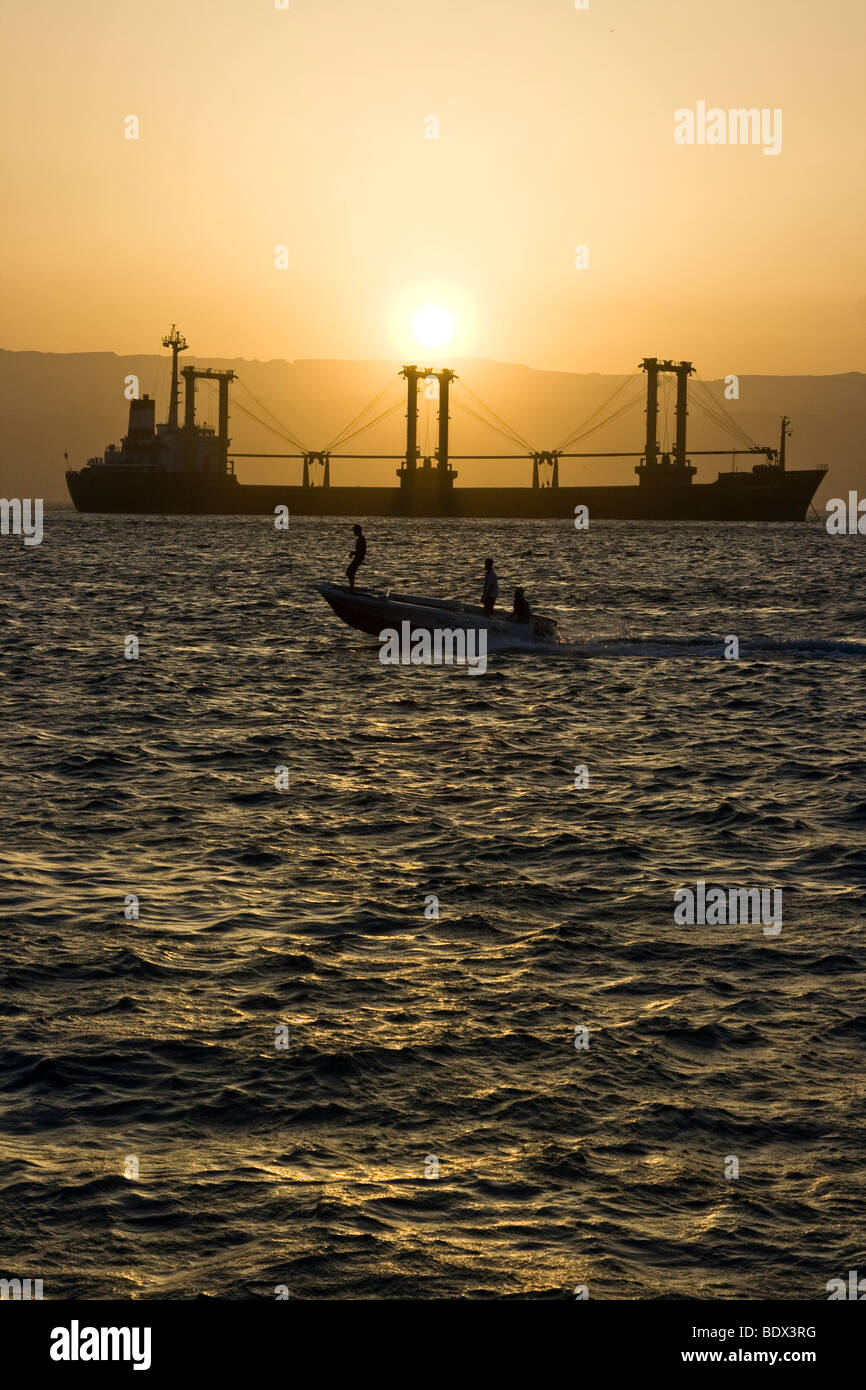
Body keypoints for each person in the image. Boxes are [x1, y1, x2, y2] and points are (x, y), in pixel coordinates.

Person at [347, 524, 366, 590]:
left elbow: (361, 550)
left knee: (349, 572)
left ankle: (352, 588)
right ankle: (352, 587)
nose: (354, 532)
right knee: (350, 572)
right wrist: (354, 553)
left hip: (359, 558)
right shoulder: (360, 538)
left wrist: (353, 553)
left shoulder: (361, 539)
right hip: (358, 558)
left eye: (354, 531)